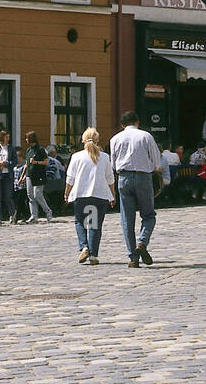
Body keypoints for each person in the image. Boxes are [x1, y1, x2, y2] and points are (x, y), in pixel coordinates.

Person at [109, 110, 159, 268]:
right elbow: (156, 160)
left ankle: (133, 258)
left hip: (123, 178)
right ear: (137, 122)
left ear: (122, 125)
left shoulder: (115, 139)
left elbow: (113, 163)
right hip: (143, 176)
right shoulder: (146, 136)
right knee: (149, 215)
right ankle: (142, 243)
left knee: (127, 219)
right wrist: (149, 169)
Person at [64, 127, 115, 264]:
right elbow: (110, 178)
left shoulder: (76, 156)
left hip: (81, 194)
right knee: (94, 224)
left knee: (80, 222)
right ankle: (93, 255)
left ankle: (84, 247)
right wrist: (112, 195)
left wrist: (67, 193)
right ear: (97, 141)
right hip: (99, 194)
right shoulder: (104, 157)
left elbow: (70, 178)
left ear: (83, 141)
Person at [19, 131, 54, 224]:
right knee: (30, 196)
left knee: (37, 195)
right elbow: (26, 165)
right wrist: (22, 177)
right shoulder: (28, 150)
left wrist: (36, 162)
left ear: (31, 139)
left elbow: (46, 162)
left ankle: (48, 211)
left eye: (27, 138)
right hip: (29, 175)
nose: (26, 140)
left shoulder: (40, 150)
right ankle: (34, 216)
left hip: (39, 175)